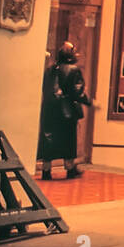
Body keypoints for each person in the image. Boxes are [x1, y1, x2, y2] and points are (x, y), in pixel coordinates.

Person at [38, 43, 90, 180]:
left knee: (48, 138)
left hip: (49, 108)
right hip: (66, 109)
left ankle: (46, 170)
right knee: (68, 139)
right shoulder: (73, 70)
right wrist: (89, 101)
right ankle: (70, 168)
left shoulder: (50, 69)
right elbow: (77, 92)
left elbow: (44, 87)